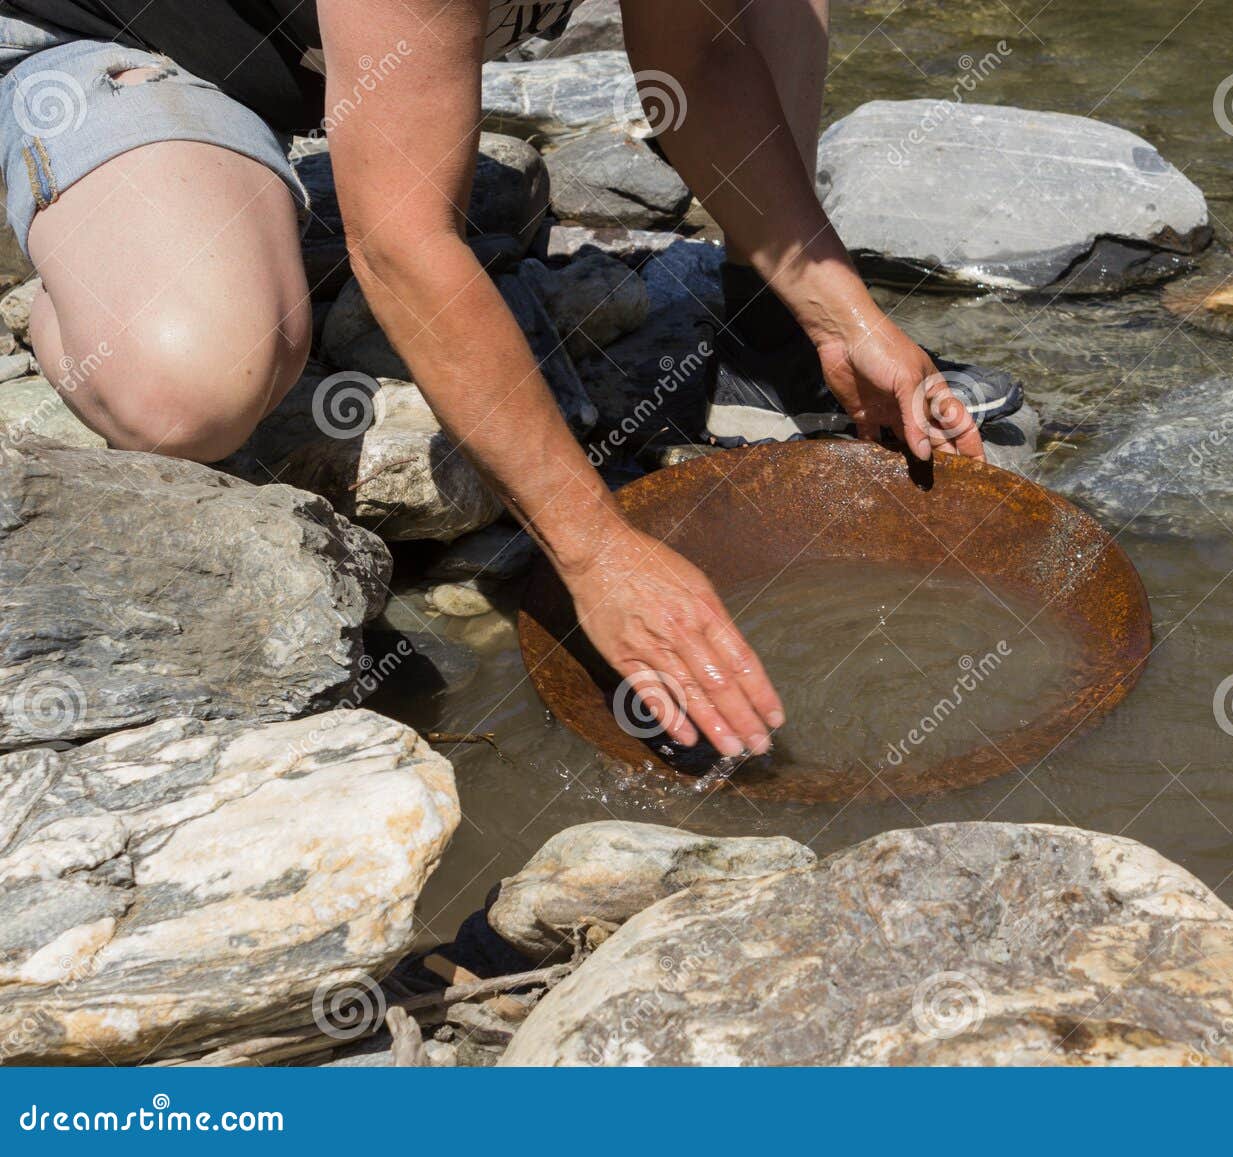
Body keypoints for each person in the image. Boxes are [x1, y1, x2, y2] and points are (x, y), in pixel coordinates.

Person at [0, 0, 1015, 762]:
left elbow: (699, 60)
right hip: (111, 42)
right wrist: (595, 548)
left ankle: (762, 322)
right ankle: (77, 246)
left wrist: (842, 315)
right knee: (192, 386)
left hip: (324, 48)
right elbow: (401, 247)